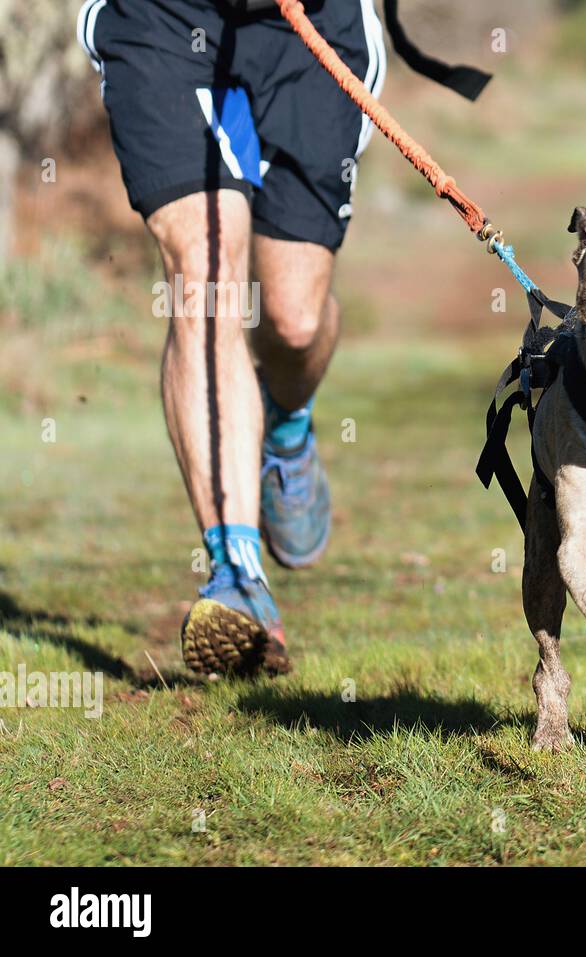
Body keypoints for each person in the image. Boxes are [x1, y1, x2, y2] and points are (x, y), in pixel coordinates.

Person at [77, 0, 387, 676]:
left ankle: (288, 430)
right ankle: (237, 575)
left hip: (307, 24)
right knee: (204, 268)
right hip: (162, 17)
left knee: (292, 319)